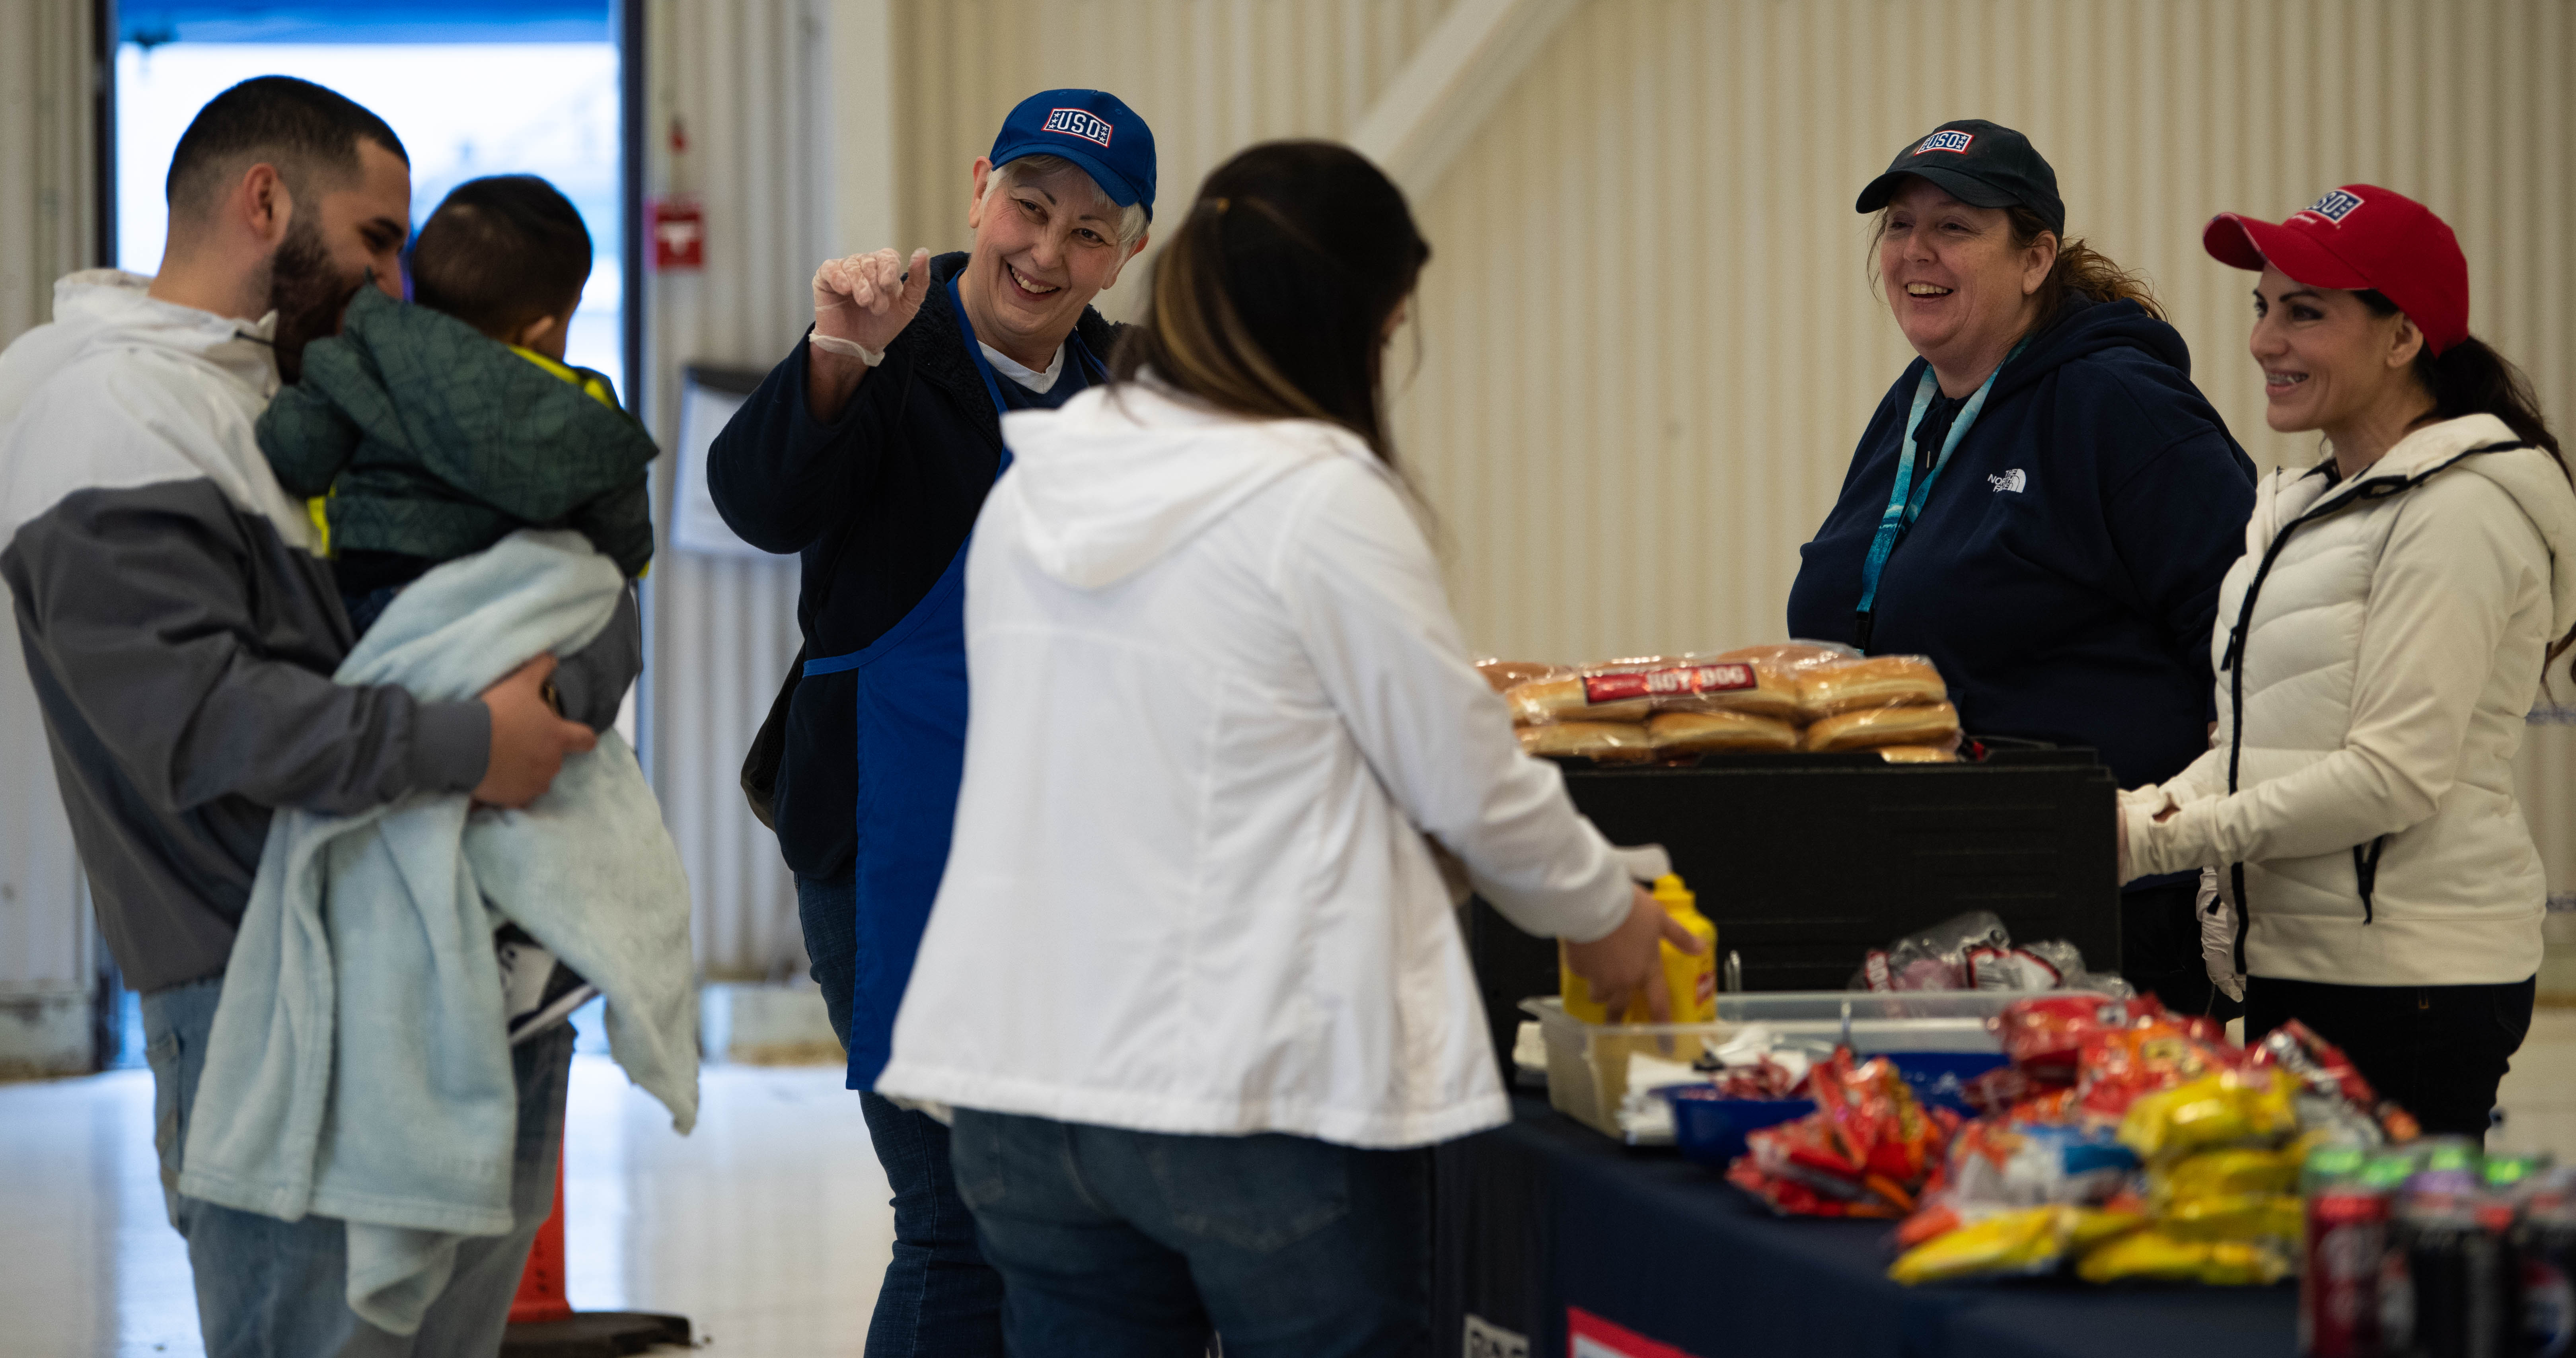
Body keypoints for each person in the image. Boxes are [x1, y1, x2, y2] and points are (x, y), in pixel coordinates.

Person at [876, 140, 1698, 1356]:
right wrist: (1608, 917)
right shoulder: (1317, 499)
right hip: (1252, 1091)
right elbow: (1461, 771)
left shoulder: (1040, 486)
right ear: (1343, 325)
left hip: (1023, 1088)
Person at [0, 76, 613, 1358]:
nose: (399, 285)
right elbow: (194, 719)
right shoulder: (109, 406)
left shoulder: (270, 401)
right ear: (265, 201)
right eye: (378, 239)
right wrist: (472, 747)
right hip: (271, 1002)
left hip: (405, 982)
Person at [706, 89, 1156, 1356]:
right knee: (953, 1213)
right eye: (1028, 206)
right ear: (978, 191)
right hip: (885, 839)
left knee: (1046, 1211)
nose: (1045, 251)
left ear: (1128, 251)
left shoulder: (1127, 396)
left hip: (1064, 853)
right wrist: (835, 352)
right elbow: (757, 503)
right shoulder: (891, 348)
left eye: (1087, 230)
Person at [2119, 185, 2564, 1138]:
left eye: (2306, 312)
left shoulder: (2459, 512)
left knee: (2383, 1278)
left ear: (2402, 337)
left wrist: (2158, 843)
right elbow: (2268, 742)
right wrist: (2143, 808)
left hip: (2412, 980)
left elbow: (2391, 775)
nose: (2265, 341)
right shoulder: (2309, 505)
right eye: (2263, 307)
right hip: (2302, 958)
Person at [1785, 119, 2257, 1014]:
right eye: (1898, 225)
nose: (1914, 251)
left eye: (1954, 227)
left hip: (2101, 917)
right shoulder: (1916, 409)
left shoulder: (2115, 404)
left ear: (2036, 258)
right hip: (1933, 900)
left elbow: (2252, 636)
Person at [258, 172, 656, 640]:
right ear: (538, 329)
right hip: (517, 616)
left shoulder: (365, 357)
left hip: (374, 601)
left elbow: (294, 452)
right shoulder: (585, 409)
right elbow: (625, 545)